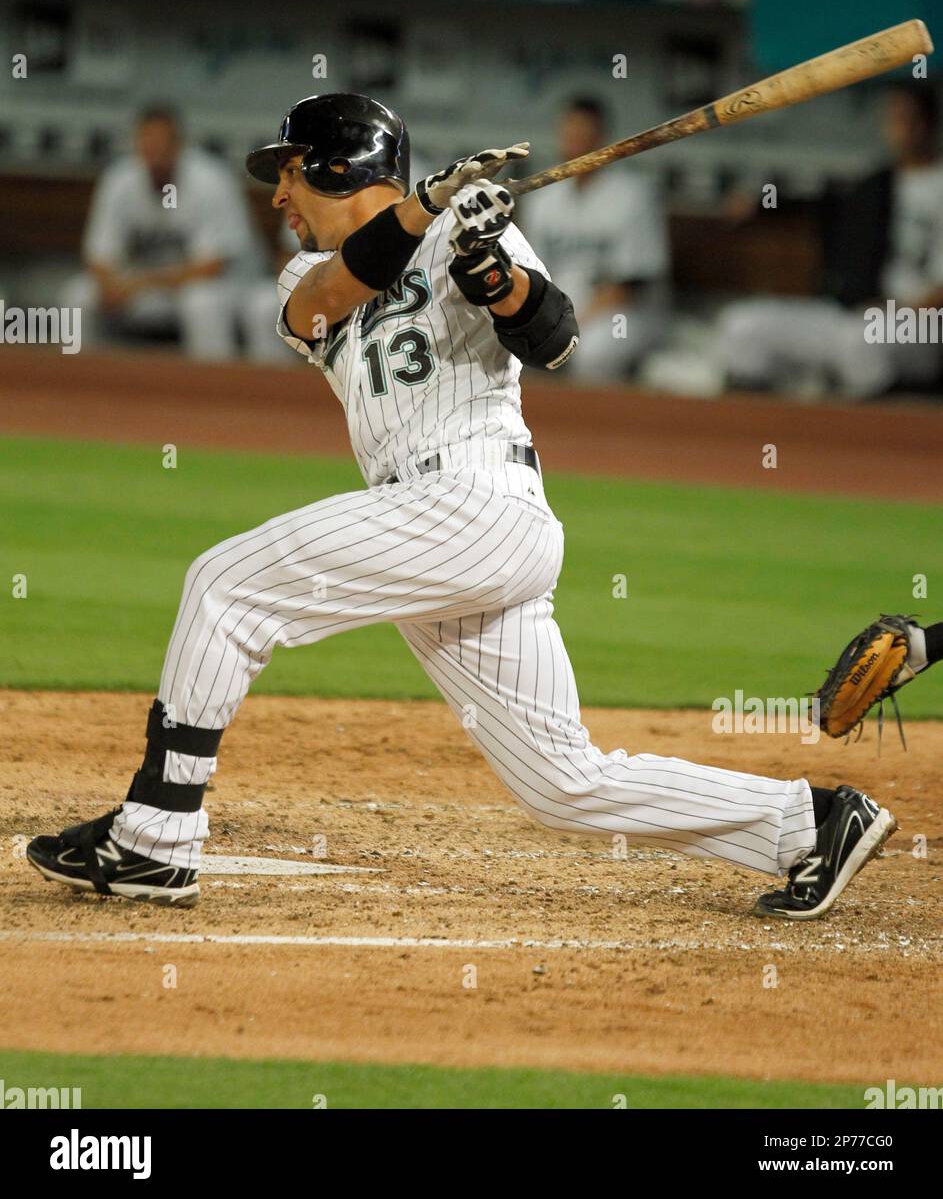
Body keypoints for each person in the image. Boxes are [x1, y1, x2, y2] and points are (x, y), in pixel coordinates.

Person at [27, 92, 935, 922]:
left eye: (292, 172)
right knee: (560, 782)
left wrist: (494, 273)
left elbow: (555, 336)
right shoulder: (305, 271)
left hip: (475, 497)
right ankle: (810, 824)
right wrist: (425, 213)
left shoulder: (473, 230)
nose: (278, 197)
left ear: (340, 168)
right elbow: (328, 297)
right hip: (430, 521)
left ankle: (155, 835)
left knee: (224, 585)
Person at [716, 83, 943, 397]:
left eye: (909, 118)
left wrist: (900, 310)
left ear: (929, 123)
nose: (900, 129)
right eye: (893, 119)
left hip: (922, 326)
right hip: (853, 313)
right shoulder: (876, 185)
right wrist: (761, 204)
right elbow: (821, 203)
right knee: (743, 326)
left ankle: (875, 440)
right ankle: (766, 436)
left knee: (860, 342)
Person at [64, 104, 283, 362]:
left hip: (228, 286)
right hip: (148, 287)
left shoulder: (210, 179)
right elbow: (98, 254)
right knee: (78, 294)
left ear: (179, 145)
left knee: (202, 302)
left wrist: (138, 284)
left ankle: (212, 389)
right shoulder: (120, 179)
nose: (155, 157)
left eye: (162, 148)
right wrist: (110, 285)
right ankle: (80, 384)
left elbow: (211, 267)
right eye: (148, 147)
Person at [524, 96, 670, 382]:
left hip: (623, 315)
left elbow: (628, 288)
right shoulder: (544, 199)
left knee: (595, 351)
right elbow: (532, 278)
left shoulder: (632, 196)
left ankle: (606, 427)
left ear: (602, 139)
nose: (575, 140)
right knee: (516, 346)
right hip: (562, 309)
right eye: (570, 131)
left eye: (584, 133)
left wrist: (567, 326)